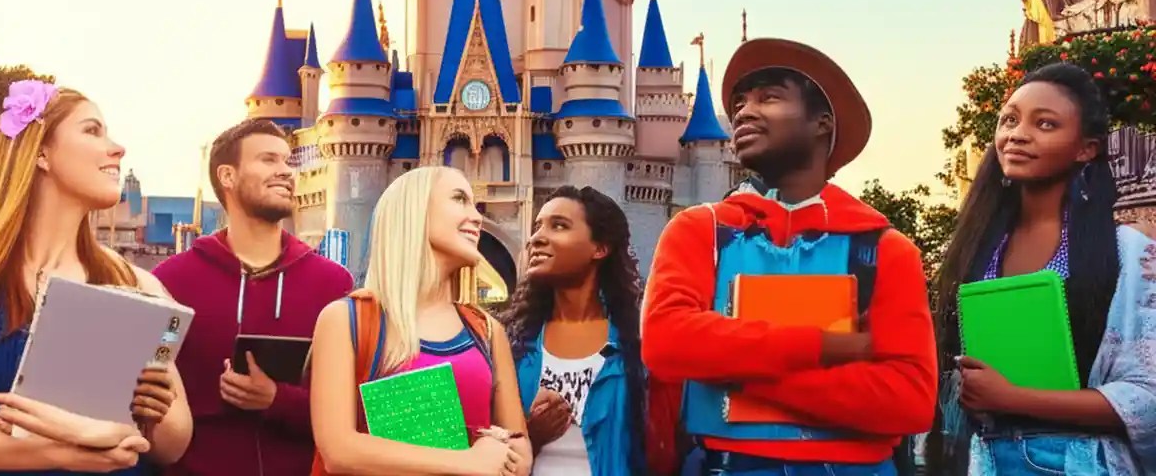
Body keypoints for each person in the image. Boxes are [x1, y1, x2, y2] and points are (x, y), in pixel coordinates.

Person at [642, 38, 937, 475]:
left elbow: (909, 400)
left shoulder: (882, 249)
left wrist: (730, 369)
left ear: (822, 122)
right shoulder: (699, 231)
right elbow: (667, 342)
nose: (743, 112)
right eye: (739, 103)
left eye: (769, 98)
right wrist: (826, 347)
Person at [0, 79, 193, 474]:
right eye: (92, 130)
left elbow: (172, 447)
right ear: (41, 152)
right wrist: (58, 453)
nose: (118, 148)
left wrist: (157, 410)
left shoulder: (139, 284)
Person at [929, 63, 1156, 475]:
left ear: (1086, 148)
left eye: (1045, 123)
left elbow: (1147, 398)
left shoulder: (1128, 253)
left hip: (1079, 463)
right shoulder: (975, 251)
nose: (1017, 134)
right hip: (986, 460)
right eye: (1009, 120)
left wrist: (1012, 397)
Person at [152, 119, 354, 475]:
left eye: (288, 162)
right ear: (227, 176)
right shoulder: (170, 283)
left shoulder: (332, 284)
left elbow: (354, 407)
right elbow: (151, 391)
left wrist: (277, 399)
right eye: (268, 160)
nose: (286, 172)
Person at [309, 166, 532, 476]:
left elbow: (519, 443)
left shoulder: (487, 331)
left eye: (474, 205)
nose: (477, 217)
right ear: (413, 210)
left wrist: (516, 455)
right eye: (459, 199)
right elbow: (338, 451)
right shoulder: (346, 320)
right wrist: (468, 462)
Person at [504, 185, 676, 476]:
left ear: (600, 248)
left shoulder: (638, 344)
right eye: (537, 227)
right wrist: (529, 437)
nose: (536, 238)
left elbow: (665, 449)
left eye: (559, 226)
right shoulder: (512, 344)